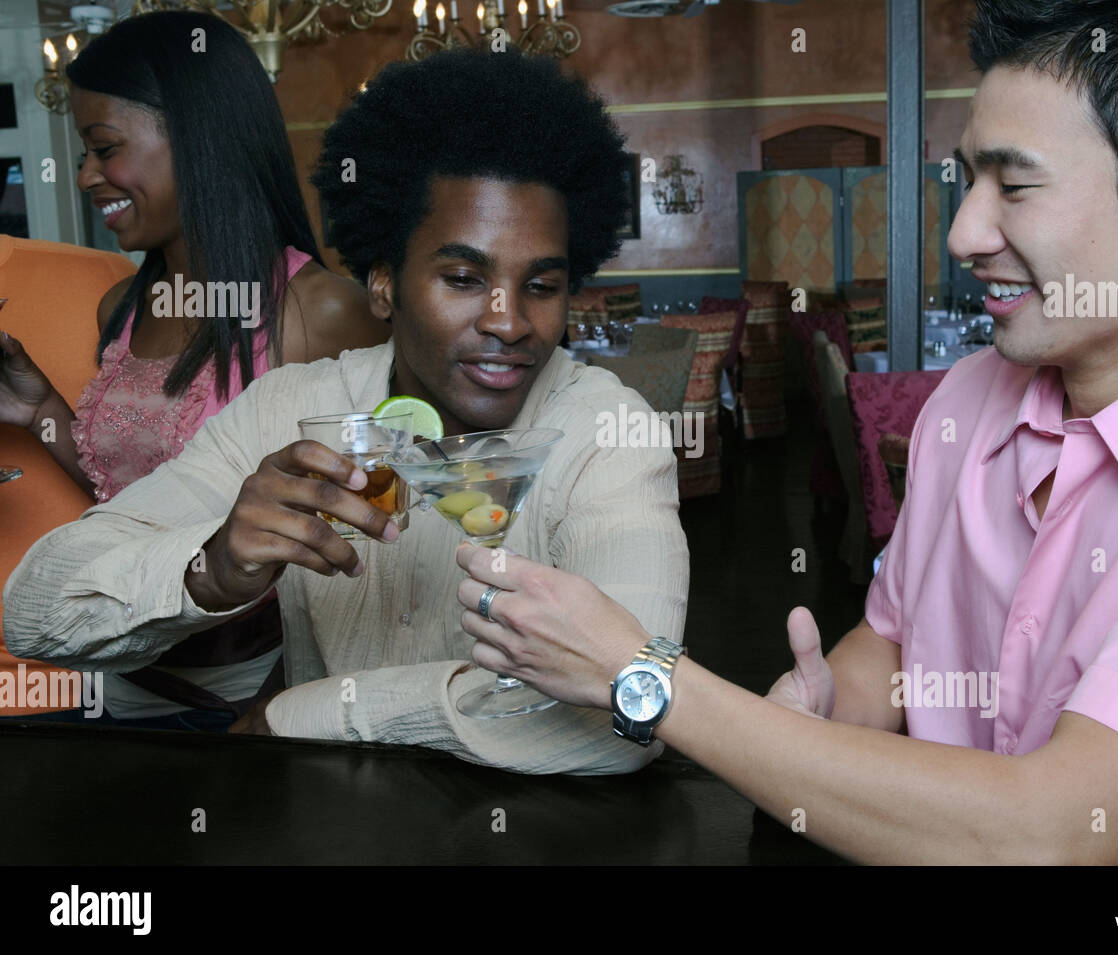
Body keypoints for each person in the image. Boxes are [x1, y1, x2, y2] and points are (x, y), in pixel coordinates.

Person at [450, 0, 1118, 860]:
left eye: (1015, 185)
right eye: (969, 181)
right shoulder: (969, 399)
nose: (965, 231)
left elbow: (1051, 831)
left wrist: (645, 678)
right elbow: (894, 638)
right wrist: (824, 712)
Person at [3, 47, 688, 774]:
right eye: (463, 277)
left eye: (542, 286)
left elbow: (631, 710)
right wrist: (211, 568)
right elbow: (36, 611)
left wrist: (306, 711)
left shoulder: (611, 436)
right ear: (385, 285)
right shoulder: (294, 411)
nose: (508, 320)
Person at [0, 11, 389, 730]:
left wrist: (276, 705)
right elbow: (141, 506)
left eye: (103, 147)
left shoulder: (320, 311)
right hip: (121, 680)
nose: (87, 176)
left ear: (198, 137)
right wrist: (39, 409)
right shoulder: (123, 303)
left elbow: (375, 548)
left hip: (251, 696)